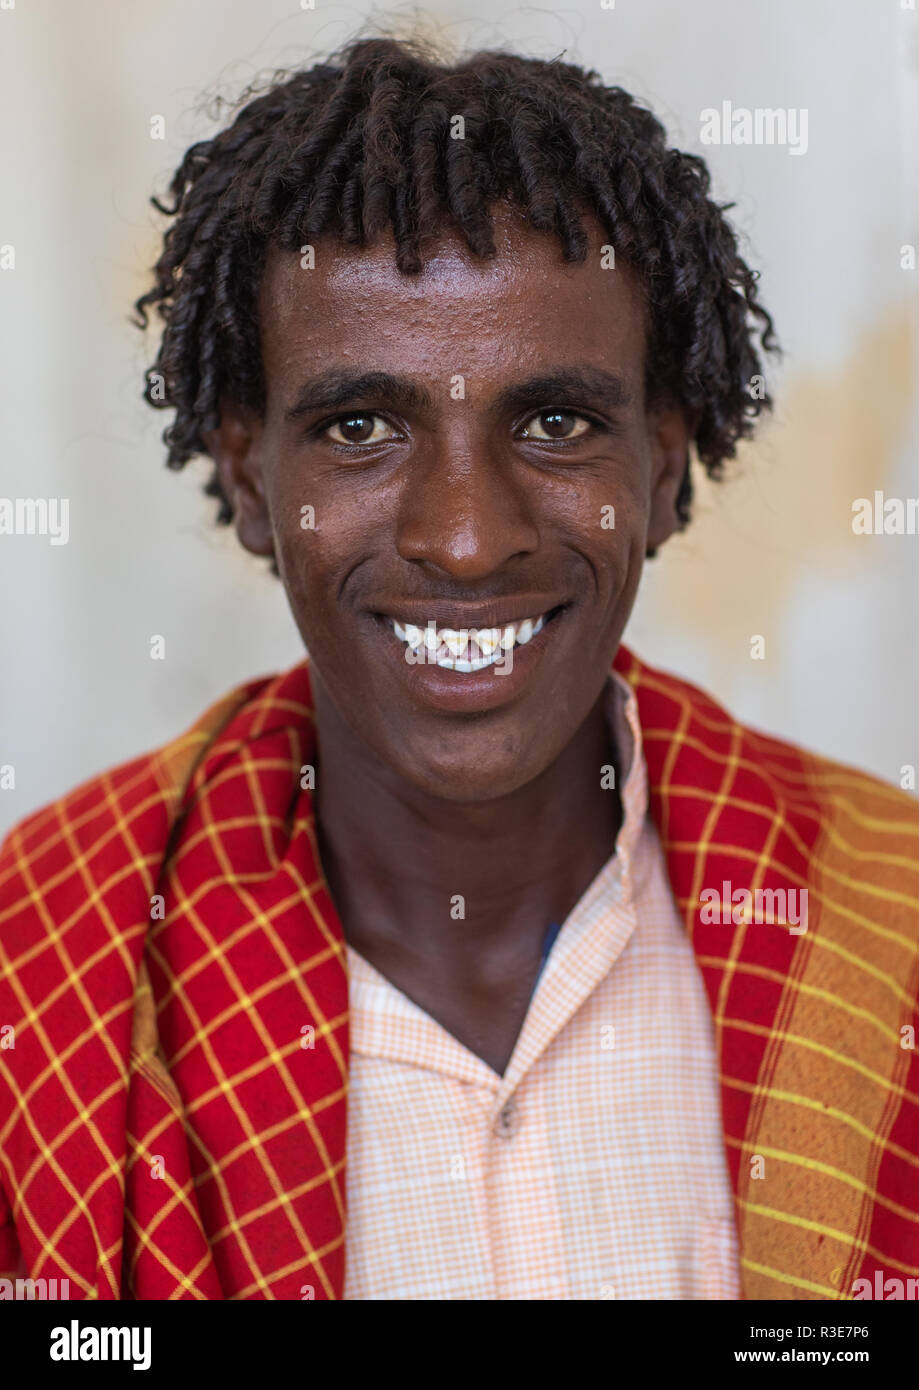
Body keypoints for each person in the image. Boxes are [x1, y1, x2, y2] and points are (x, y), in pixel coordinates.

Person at [1, 36, 917, 1303]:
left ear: (659, 470)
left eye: (554, 421)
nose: (468, 537)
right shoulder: (35, 971)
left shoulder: (894, 921)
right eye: (360, 427)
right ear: (251, 477)